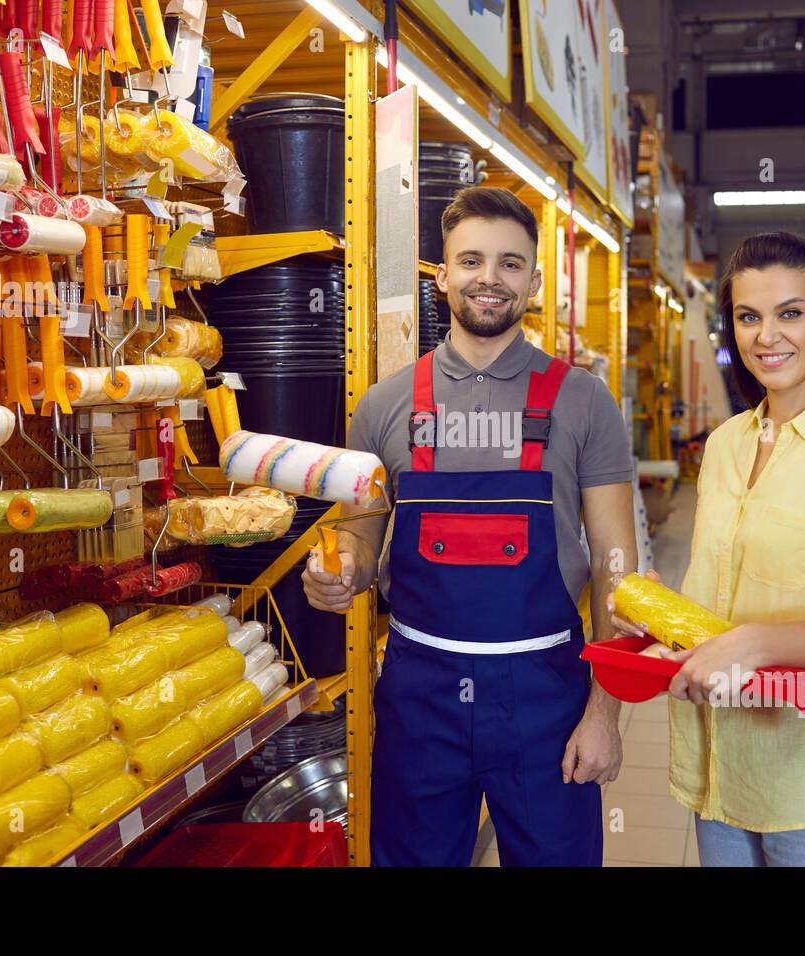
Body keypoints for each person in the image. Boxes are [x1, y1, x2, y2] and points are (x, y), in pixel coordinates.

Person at [302, 186, 637, 866]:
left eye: (511, 264)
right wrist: (341, 575)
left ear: (535, 281)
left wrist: (605, 713)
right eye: (472, 260)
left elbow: (616, 572)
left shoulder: (584, 402)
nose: (490, 278)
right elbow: (360, 536)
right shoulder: (384, 407)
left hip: (549, 693)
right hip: (420, 692)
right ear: (442, 274)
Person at [612, 232, 805, 866]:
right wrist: (661, 618)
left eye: (790, 313)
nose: (766, 337)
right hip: (721, 782)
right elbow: (725, 599)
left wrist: (754, 643)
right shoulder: (727, 443)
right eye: (748, 316)